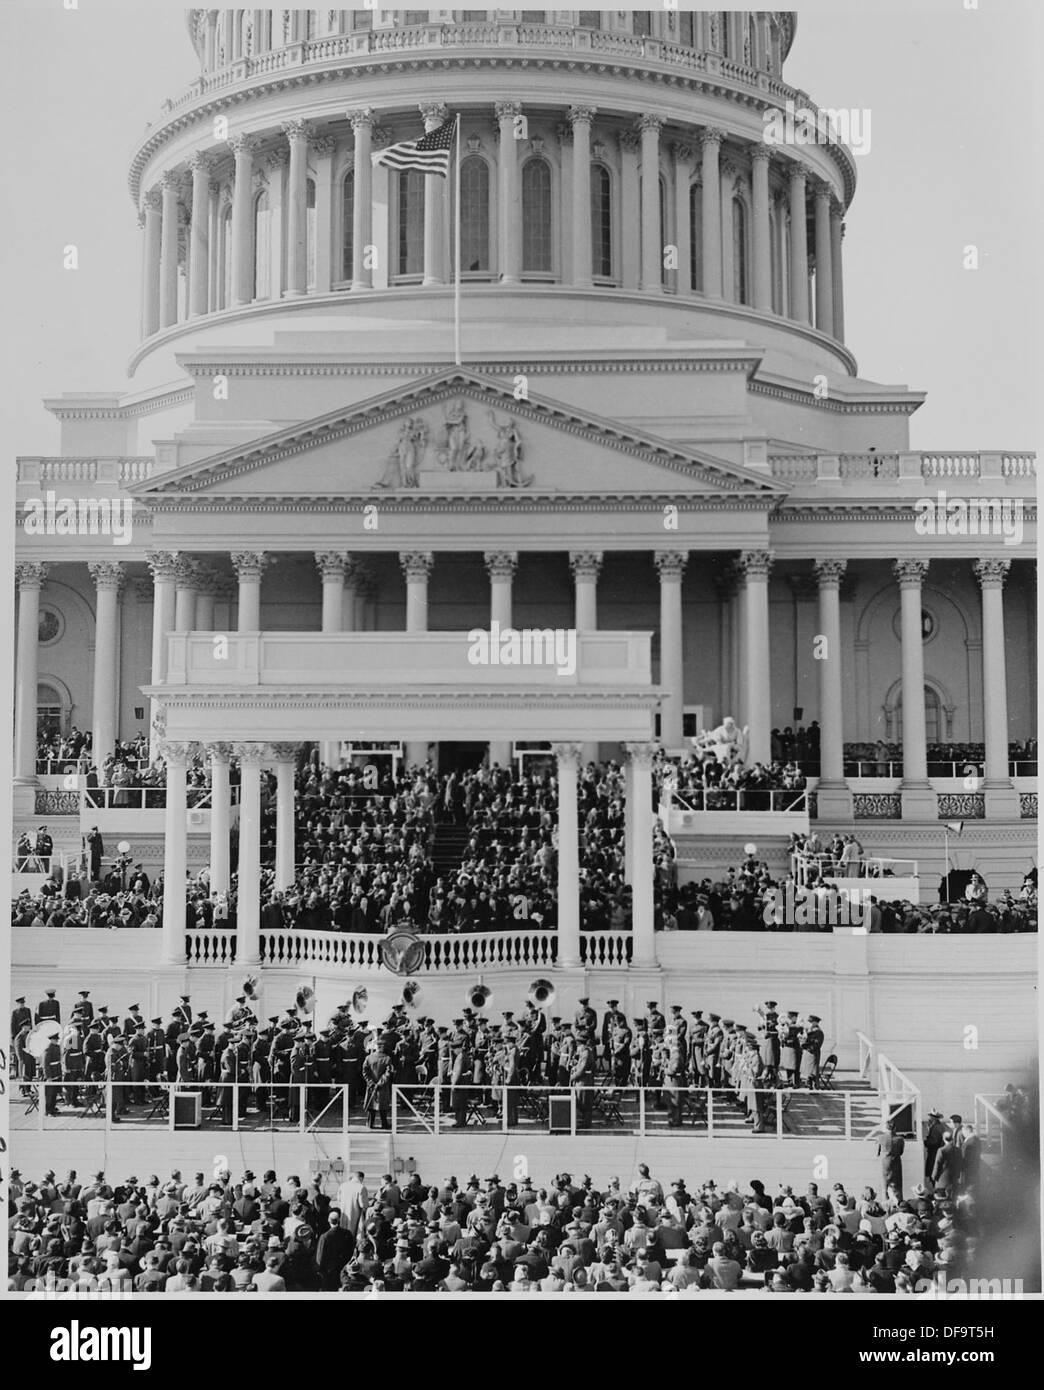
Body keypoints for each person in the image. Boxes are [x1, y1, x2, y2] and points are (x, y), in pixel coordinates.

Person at [876, 1120, 905, 1199]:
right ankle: (899, 1203)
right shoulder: (900, 1139)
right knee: (897, 1186)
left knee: (884, 1186)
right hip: (896, 1163)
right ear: (895, 1128)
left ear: (886, 1128)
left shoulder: (880, 1138)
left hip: (885, 1164)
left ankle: (886, 1203)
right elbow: (901, 1152)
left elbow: (877, 1153)